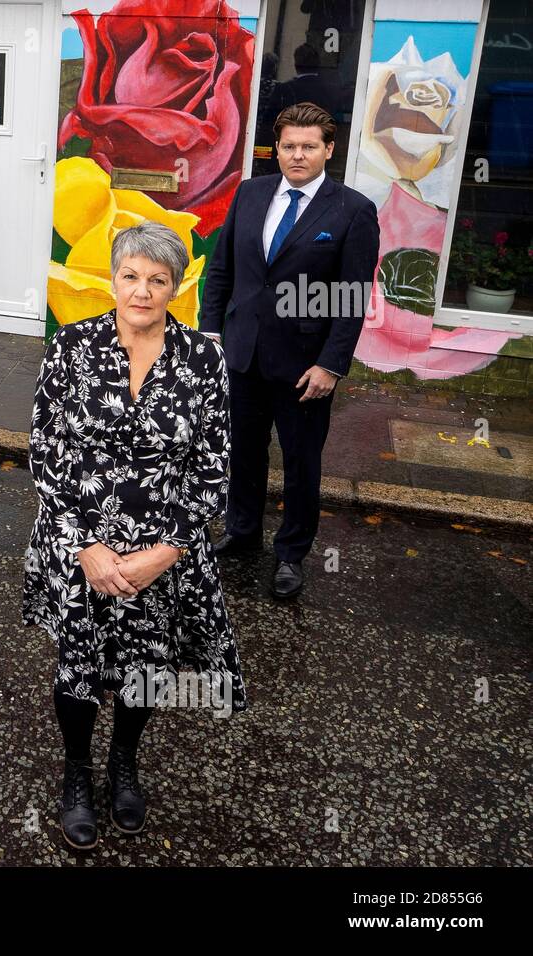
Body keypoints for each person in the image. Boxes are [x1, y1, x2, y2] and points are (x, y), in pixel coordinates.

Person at [23, 221, 247, 850]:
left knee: (145, 669)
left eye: (158, 279)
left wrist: (166, 552)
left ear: (175, 287)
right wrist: (86, 548)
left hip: (163, 548)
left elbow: (212, 464)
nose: (142, 290)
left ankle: (124, 762)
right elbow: (47, 454)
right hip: (80, 543)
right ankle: (76, 773)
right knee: (79, 667)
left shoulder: (204, 357)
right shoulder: (69, 347)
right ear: (112, 279)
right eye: (131, 276)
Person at [200, 102, 379, 598]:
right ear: (275, 149)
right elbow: (223, 270)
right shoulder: (250, 193)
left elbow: (352, 297)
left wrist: (331, 364)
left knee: (301, 463)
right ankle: (241, 532)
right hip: (242, 357)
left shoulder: (352, 210)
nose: (298, 155)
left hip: (305, 369)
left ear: (328, 149)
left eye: (308, 146)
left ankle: (291, 554)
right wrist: (212, 333)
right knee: (243, 452)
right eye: (289, 146)